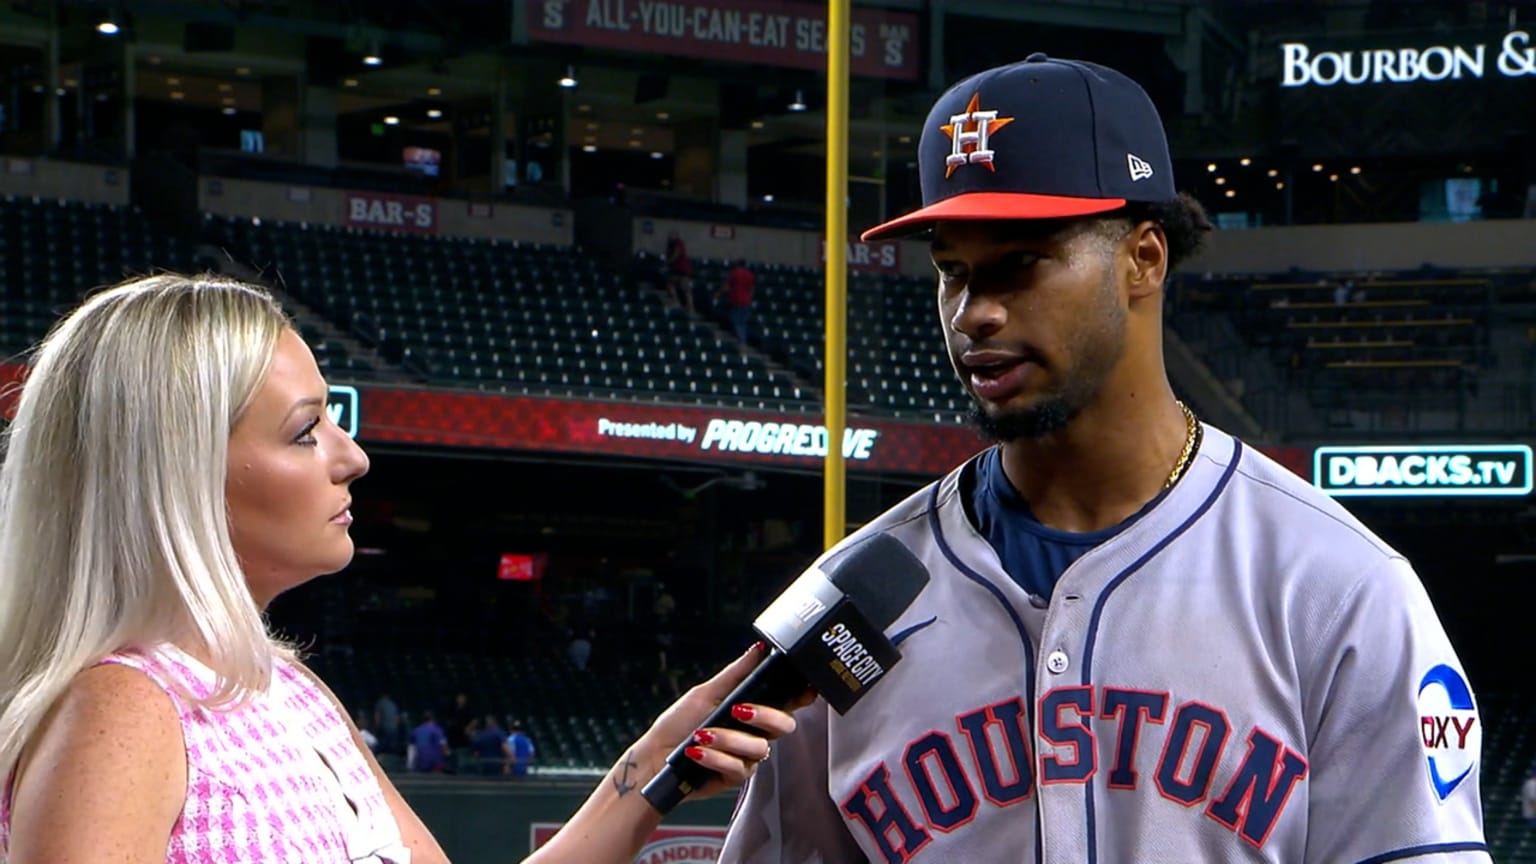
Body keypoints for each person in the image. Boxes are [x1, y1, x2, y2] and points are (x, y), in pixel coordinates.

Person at [719, 54, 1489, 863]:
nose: (974, 313)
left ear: (1144, 259)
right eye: (953, 272)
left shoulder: (1336, 587)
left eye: (1021, 263)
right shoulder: (849, 607)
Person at [0, 274, 796, 864]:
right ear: (173, 471)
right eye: (306, 431)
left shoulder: (289, 690)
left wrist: (653, 765)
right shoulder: (122, 714)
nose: (354, 457)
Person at [718, 258, 755, 343]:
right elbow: (752, 290)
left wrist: (717, 295)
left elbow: (726, 287)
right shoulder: (750, 274)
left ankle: (741, 341)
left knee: (737, 322)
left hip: (736, 300)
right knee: (742, 323)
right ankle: (742, 340)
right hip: (746, 302)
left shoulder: (735, 273)